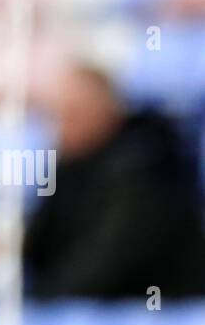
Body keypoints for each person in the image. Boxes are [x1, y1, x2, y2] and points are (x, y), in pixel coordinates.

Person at [24, 62, 205, 299]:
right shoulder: (67, 166)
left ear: (108, 109)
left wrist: (40, 298)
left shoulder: (143, 166)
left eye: (75, 113)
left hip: (163, 316)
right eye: (57, 115)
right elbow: (39, 244)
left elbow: (105, 265)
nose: (63, 127)